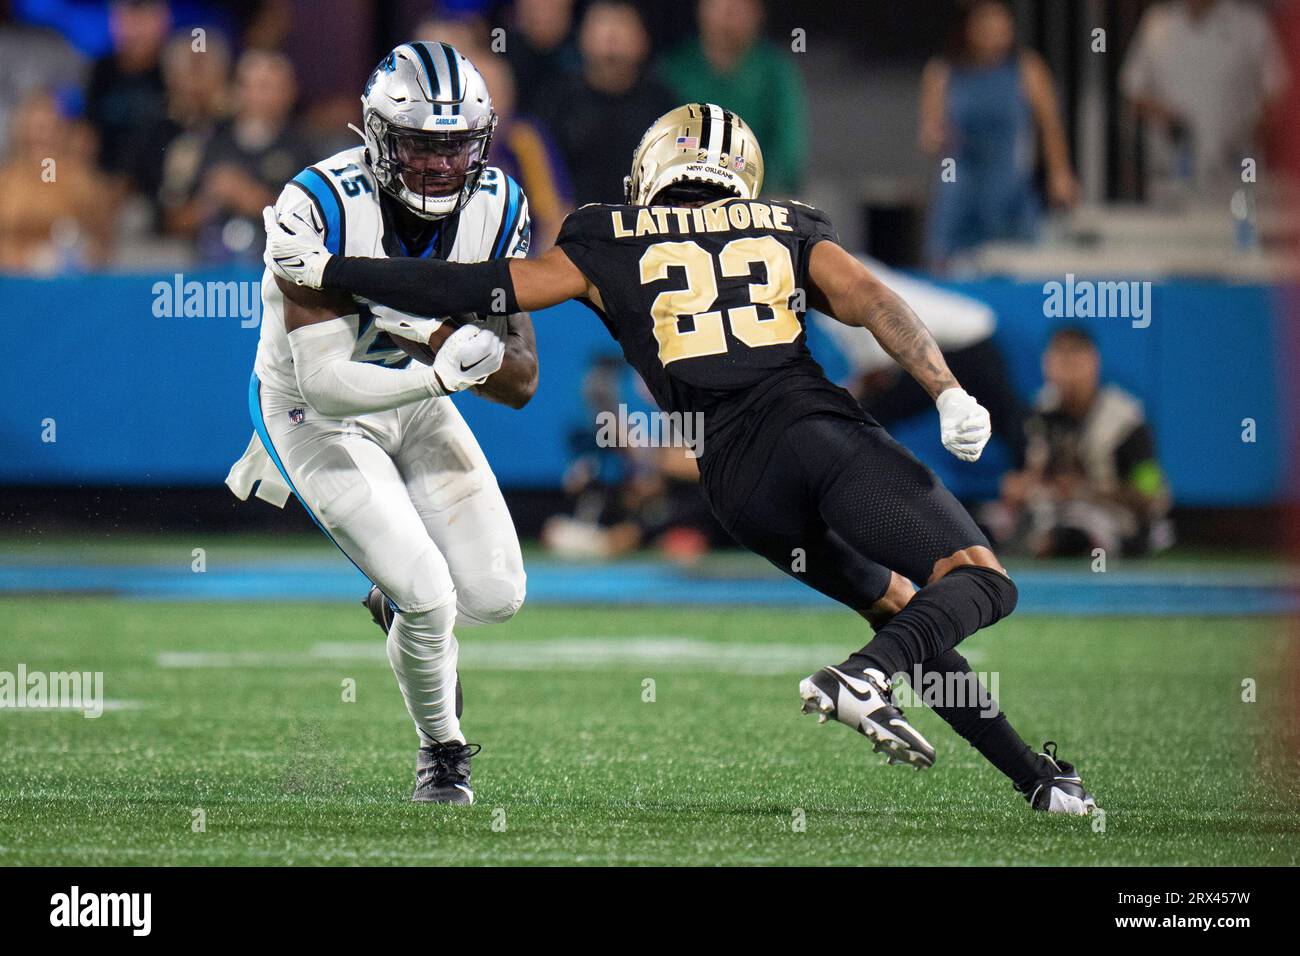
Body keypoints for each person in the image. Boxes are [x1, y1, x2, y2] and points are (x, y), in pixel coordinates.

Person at [265, 103, 1097, 815]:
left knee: (901, 611)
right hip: (813, 432)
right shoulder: (787, 223)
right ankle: (860, 678)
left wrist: (338, 272)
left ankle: (1035, 781)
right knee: (982, 580)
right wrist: (946, 389)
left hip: (736, 485)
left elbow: (481, 287)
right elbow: (873, 301)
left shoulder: (602, 237)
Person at [227, 41, 538, 806]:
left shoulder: (500, 207)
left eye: (455, 145)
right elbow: (328, 385)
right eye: (420, 146)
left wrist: (457, 356)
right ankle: (444, 751)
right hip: (312, 410)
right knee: (429, 594)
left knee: (497, 595)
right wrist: (438, 355)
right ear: (376, 137)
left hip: (414, 395)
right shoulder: (321, 204)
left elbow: (522, 381)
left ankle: (390, 596)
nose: (438, 166)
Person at [811, 256, 1026, 466]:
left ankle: (871, 474)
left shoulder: (834, 283)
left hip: (965, 346)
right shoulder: (843, 265)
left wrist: (841, 397)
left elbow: (878, 374)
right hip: (969, 337)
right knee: (1004, 419)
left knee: (867, 414)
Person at [919, 0, 1078, 269]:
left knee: (1016, 267)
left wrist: (1059, 173)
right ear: (968, 27)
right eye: (985, 22)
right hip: (960, 188)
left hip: (1009, 187)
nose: (995, 29)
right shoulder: (942, 71)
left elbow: (1050, 127)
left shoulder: (1028, 68)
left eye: (1000, 21)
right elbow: (929, 134)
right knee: (949, 266)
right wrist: (936, 138)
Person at [989, 326, 1172, 559]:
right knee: (984, 526)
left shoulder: (1128, 421)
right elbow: (1026, 475)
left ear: (1093, 362)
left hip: (1107, 517)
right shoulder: (1037, 413)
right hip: (1046, 511)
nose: (1067, 371)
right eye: (1059, 360)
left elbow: (1150, 494)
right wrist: (1020, 486)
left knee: (1075, 533)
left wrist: (1086, 490)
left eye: (1074, 360)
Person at [1121, 0, 1288, 190]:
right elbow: (1132, 91)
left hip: (1237, 175)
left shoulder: (1250, 25)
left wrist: (1250, 136)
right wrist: (1169, 119)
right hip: (1169, 175)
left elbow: (1276, 91)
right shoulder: (1157, 22)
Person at [534, 0, 675, 205]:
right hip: (571, 226)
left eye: (623, 23)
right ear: (581, 36)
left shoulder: (663, 105)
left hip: (644, 225)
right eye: (602, 22)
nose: (612, 35)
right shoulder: (555, 101)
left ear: (644, 40)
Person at [659, 0, 806, 194]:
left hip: (758, 197)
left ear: (758, 14)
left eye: (738, 7)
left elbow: (789, 152)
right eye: (718, 7)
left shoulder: (777, 70)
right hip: (685, 195)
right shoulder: (673, 70)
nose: (726, 17)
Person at [190, 49, 313, 264]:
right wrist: (209, 203)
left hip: (279, 266)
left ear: (288, 92)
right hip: (209, 261)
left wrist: (253, 199)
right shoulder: (214, 143)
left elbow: (312, 224)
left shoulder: (303, 149)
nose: (256, 96)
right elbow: (175, 217)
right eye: (248, 85)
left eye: (265, 87)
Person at [0, 90, 112, 271]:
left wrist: (76, 257)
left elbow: (101, 242)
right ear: (22, 133)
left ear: (61, 133)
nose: (41, 137)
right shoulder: (6, 181)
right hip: (11, 283)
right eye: (34, 129)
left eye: (48, 129)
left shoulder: (81, 181)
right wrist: (30, 261)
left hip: (66, 282)